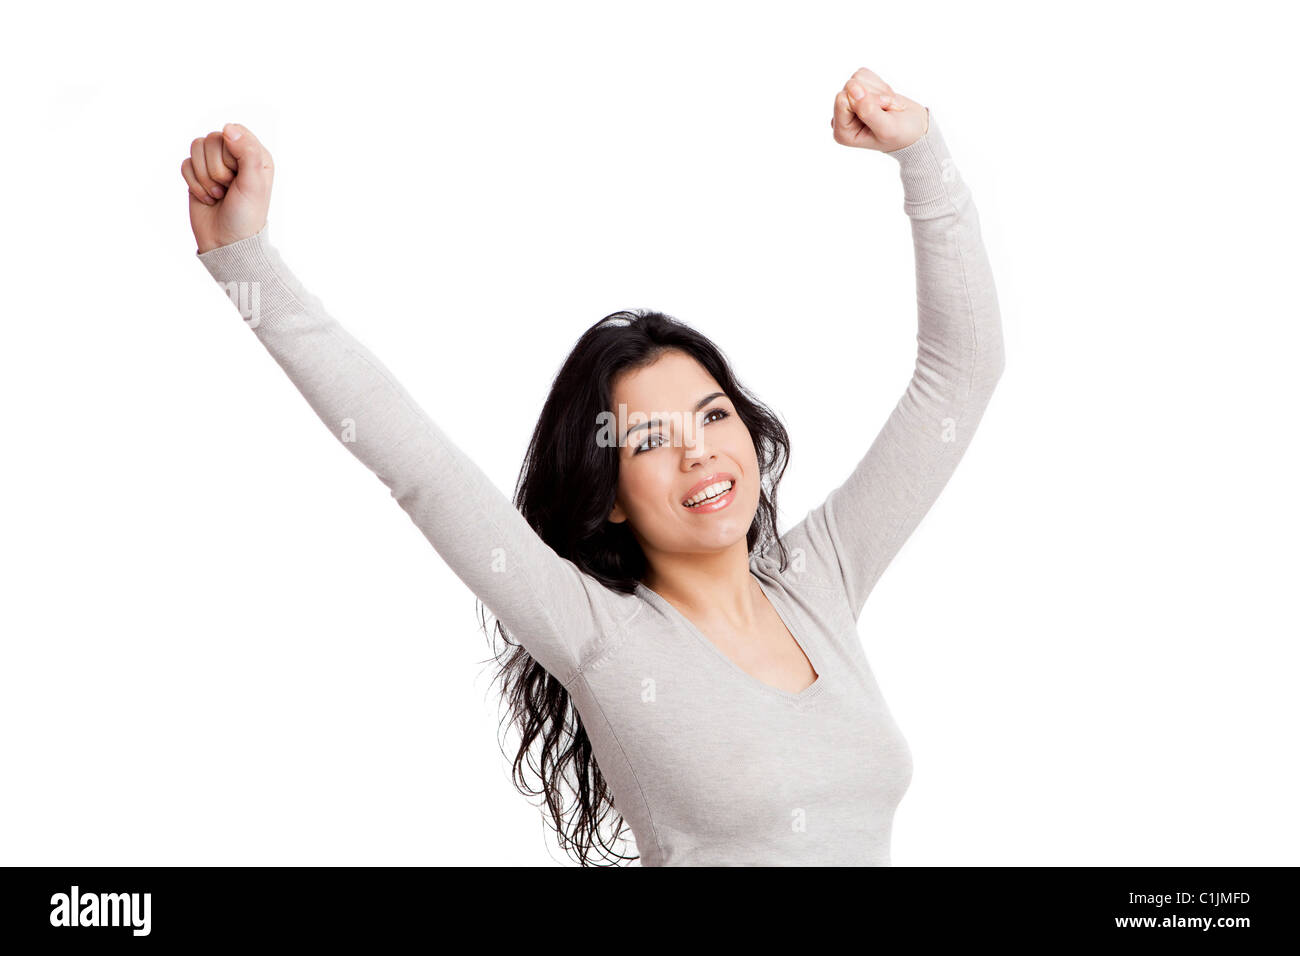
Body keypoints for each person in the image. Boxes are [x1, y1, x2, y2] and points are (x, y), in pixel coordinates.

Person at [181, 67, 1005, 866]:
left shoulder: (819, 579)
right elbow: (417, 464)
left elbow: (960, 377)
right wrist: (248, 266)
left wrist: (922, 154)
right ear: (609, 497)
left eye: (713, 415)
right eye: (647, 441)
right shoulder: (598, 634)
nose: (698, 451)